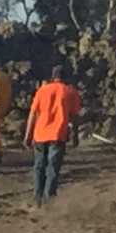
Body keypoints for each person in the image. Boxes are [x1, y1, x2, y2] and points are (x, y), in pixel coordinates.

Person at [28, 65, 82, 205]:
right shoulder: (71, 92)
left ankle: (37, 198)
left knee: (39, 166)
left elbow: (33, 114)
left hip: (40, 133)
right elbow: (75, 117)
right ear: (66, 77)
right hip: (58, 134)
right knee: (52, 167)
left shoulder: (42, 90)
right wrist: (75, 135)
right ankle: (49, 199)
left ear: (53, 77)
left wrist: (27, 135)